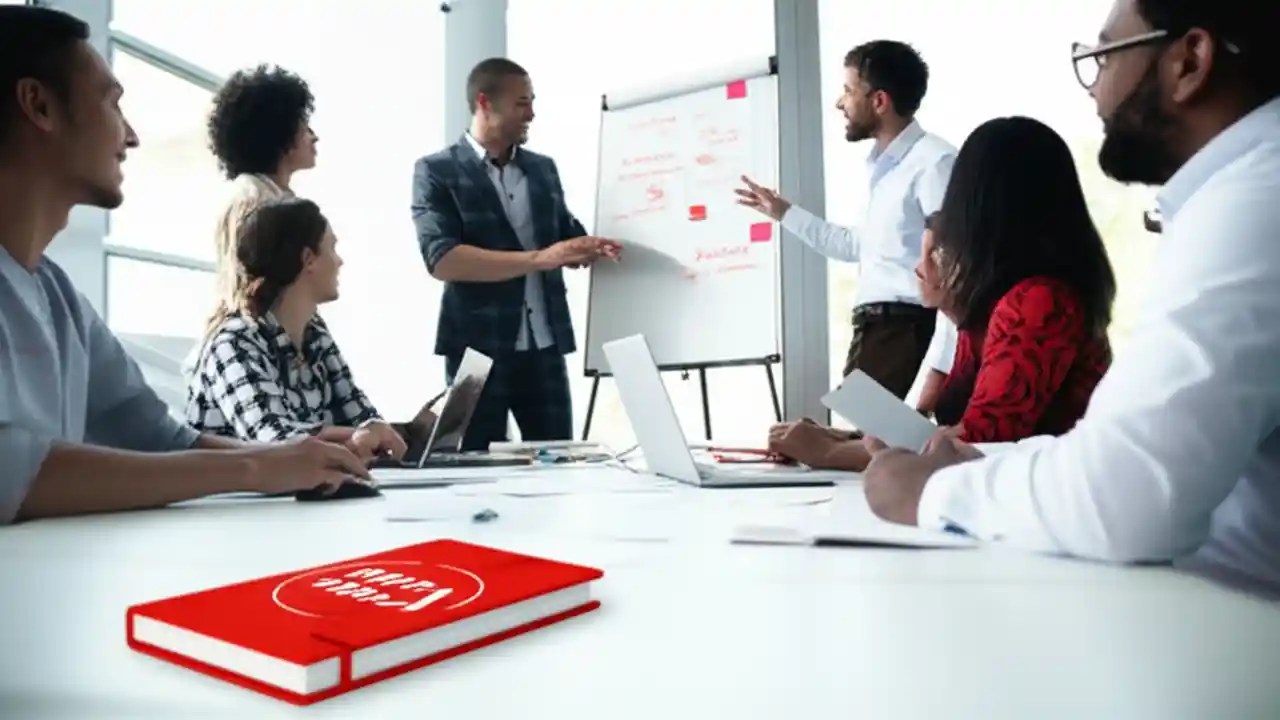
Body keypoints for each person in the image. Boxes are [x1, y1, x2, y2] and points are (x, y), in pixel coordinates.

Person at [863, 0, 1280, 597]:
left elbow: (1128, 495)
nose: (1095, 92)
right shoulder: (1233, 195)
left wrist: (930, 491)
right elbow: (1107, 455)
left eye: (1104, 56)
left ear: (1189, 60)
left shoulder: (1255, 200)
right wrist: (971, 465)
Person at [0, 6, 369, 524]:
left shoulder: (59, 299)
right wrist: (254, 470)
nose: (130, 136)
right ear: (39, 105)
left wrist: (287, 460)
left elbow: (159, 439)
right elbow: (12, 472)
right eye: (112, 103)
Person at [771, 118, 1117, 470]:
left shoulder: (1039, 301)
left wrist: (831, 455)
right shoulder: (992, 307)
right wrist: (847, 440)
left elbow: (977, 445)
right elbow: (951, 433)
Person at [411, 57, 621, 451]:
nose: (532, 113)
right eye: (522, 103)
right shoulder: (436, 171)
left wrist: (586, 247)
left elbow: (562, 237)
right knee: (470, 469)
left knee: (557, 463)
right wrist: (541, 258)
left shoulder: (543, 170)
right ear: (485, 103)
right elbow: (443, 260)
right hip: (476, 351)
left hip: (545, 348)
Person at [736, 40, 956, 399]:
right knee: (856, 442)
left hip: (904, 327)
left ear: (879, 101)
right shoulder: (885, 169)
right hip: (877, 327)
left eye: (848, 91)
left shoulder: (934, 163)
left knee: (868, 446)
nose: (841, 102)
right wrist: (783, 212)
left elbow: (952, 268)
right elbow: (857, 245)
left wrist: (940, 373)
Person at [186, 197, 407, 463]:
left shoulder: (315, 334)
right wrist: (359, 435)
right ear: (308, 259)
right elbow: (272, 440)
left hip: (300, 498)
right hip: (236, 501)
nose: (340, 261)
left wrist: (374, 430)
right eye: (333, 249)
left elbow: (360, 415)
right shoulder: (233, 342)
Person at [207, 64, 317, 330]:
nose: (314, 137)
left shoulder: (274, 197)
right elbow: (246, 293)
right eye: (304, 127)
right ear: (279, 133)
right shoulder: (252, 198)